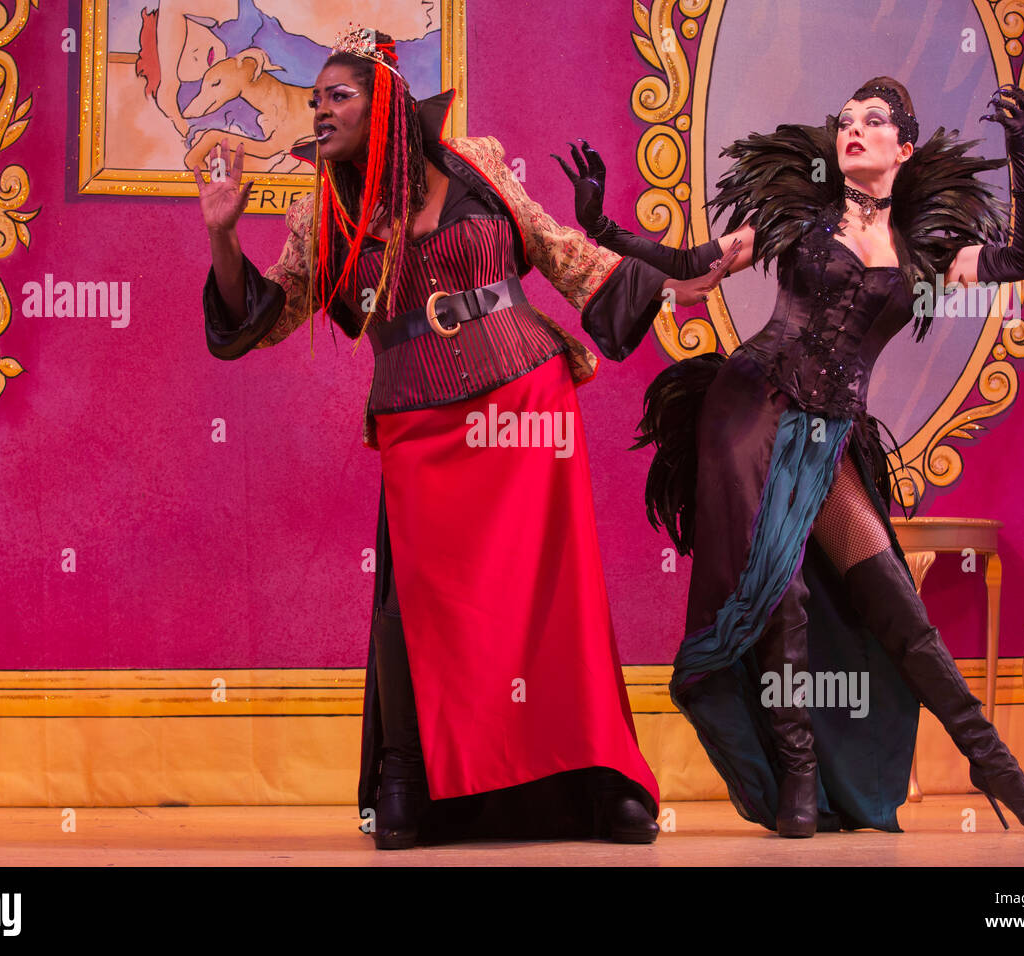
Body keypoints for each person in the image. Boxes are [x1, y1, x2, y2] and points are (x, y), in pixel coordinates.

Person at [197, 26, 732, 848]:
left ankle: (598, 781)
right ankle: (413, 785)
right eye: (314, 100)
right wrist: (224, 236)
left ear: (385, 107)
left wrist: (680, 280)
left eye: (337, 95)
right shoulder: (325, 210)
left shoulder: (475, 161)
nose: (319, 110)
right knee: (427, 608)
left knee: (557, 599)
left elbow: (562, 255)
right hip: (418, 414)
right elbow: (260, 322)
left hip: (526, 397)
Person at [557, 77, 1024, 836]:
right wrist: (604, 227)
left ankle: (998, 770)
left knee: (893, 597)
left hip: (827, 436)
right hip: (749, 408)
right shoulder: (800, 219)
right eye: (848, 121)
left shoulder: (924, 251)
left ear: (906, 146)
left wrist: (1020, 154)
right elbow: (694, 266)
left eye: (875, 121)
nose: (854, 130)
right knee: (779, 593)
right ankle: (796, 778)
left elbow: (1023, 259)